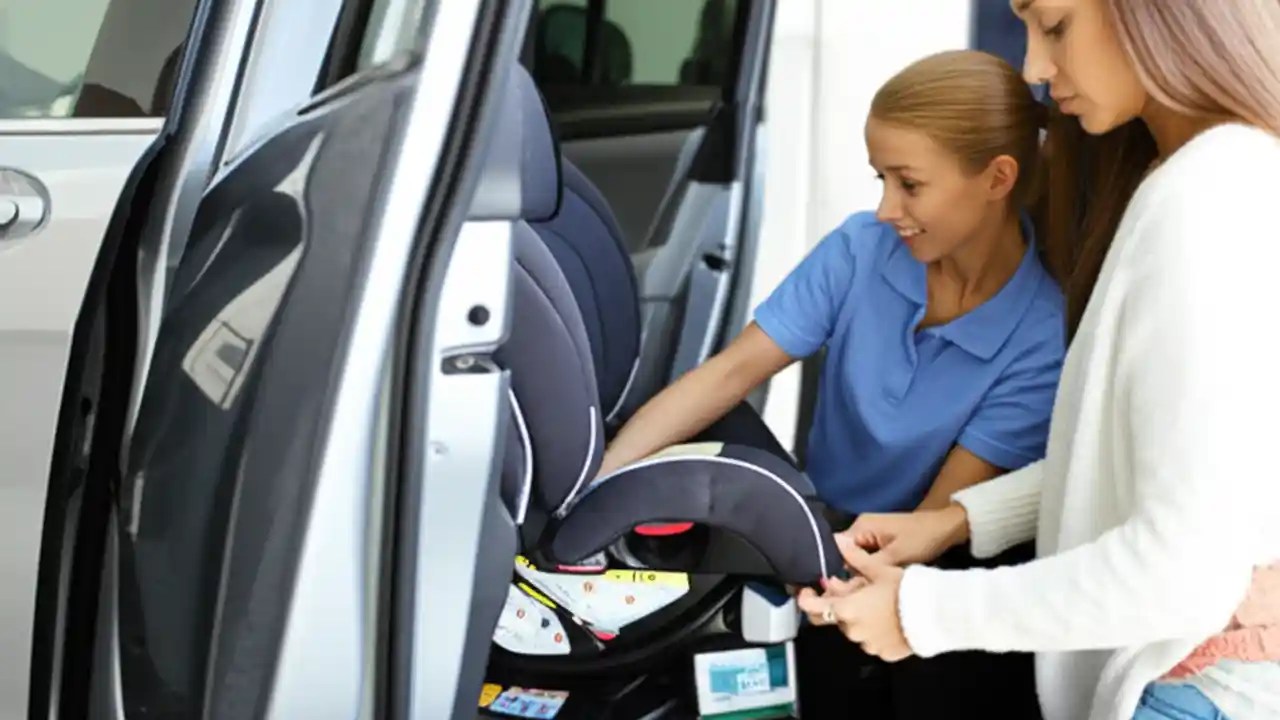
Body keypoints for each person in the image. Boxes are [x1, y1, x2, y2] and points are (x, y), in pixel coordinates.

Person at [796, 2, 1280, 720]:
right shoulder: (1204, 175)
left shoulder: (1205, 200)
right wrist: (954, 522)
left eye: (1055, 26)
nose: (1034, 68)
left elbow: (1183, 568)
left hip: (1193, 690)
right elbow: (1132, 461)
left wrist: (924, 612)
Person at [599, 50, 1064, 718]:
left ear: (997, 178)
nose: (885, 208)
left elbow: (934, 521)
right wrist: (601, 483)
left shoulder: (1041, 332)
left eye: (909, 184)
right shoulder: (858, 250)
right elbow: (730, 373)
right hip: (819, 525)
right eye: (881, 179)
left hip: (937, 558)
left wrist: (843, 585)